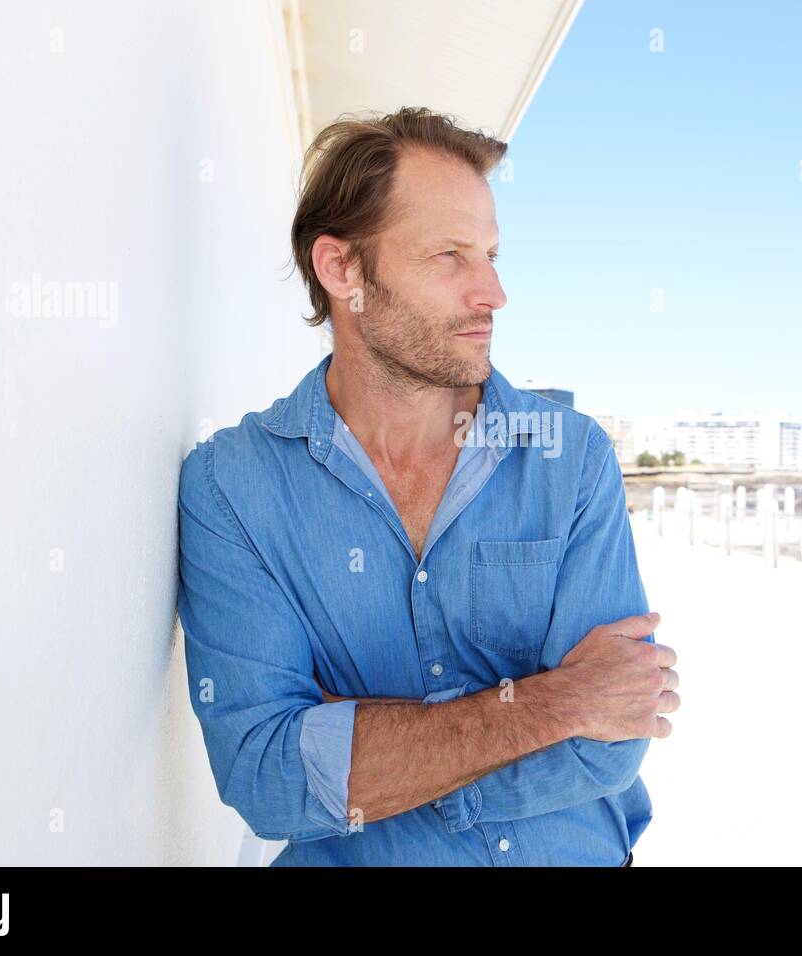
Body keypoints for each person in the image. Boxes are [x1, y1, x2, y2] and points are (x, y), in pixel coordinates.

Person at [176, 106, 679, 866]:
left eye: (492, 255)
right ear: (343, 270)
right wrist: (560, 700)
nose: (493, 294)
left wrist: (357, 751)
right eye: (450, 257)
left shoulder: (571, 458)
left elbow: (607, 750)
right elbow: (265, 777)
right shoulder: (231, 487)